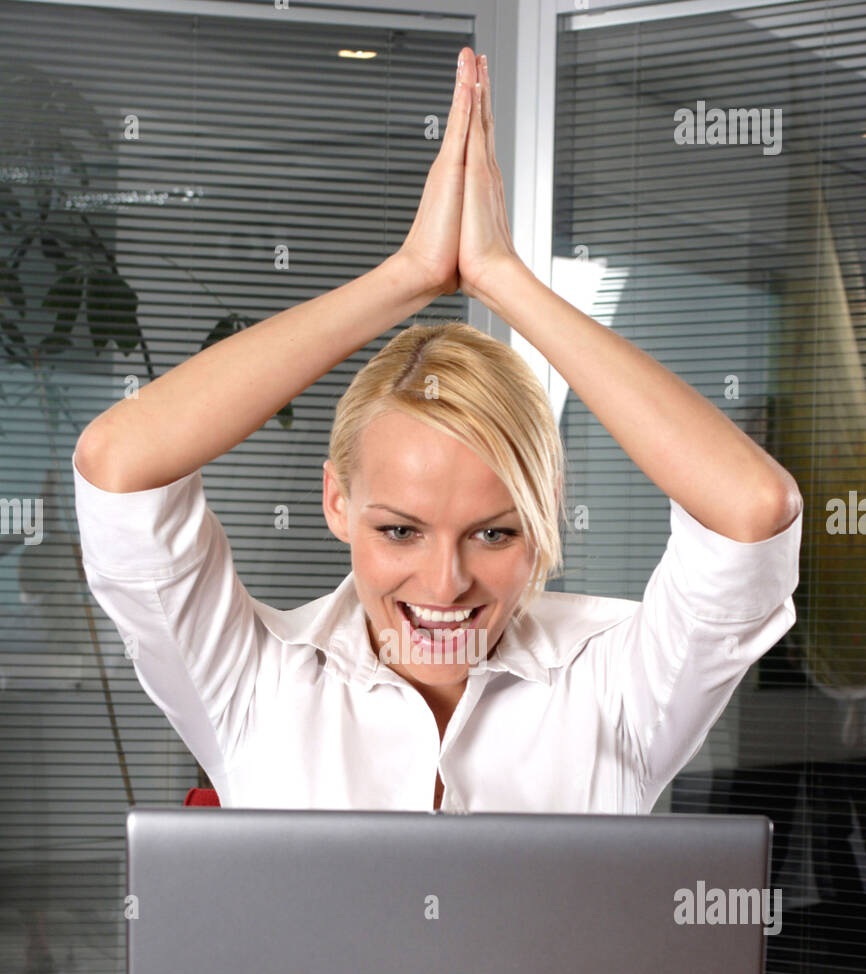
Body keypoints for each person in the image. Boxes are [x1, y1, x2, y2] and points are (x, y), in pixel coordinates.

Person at [72, 48, 802, 814]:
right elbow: (119, 462)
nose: (445, 583)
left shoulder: (615, 683)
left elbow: (752, 508)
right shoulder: (254, 679)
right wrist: (409, 275)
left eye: (493, 534)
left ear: (548, 509)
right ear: (335, 502)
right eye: (399, 531)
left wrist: (502, 277)